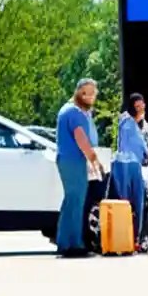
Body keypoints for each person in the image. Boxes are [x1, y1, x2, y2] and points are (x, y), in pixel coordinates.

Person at [55, 78, 100, 257]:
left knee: (71, 200)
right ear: (79, 93)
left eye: (92, 94)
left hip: (69, 160)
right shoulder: (75, 113)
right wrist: (94, 159)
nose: (89, 97)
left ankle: (66, 241)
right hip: (73, 161)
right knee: (75, 200)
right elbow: (81, 138)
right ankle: (73, 244)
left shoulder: (70, 111)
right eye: (86, 93)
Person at [114, 93, 147, 247]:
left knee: (138, 202)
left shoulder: (137, 123)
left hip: (135, 165)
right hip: (126, 165)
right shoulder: (127, 122)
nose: (141, 109)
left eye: (142, 105)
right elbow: (132, 145)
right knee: (127, 202)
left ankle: (137, 239)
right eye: (138, 106)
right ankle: (128, 237)